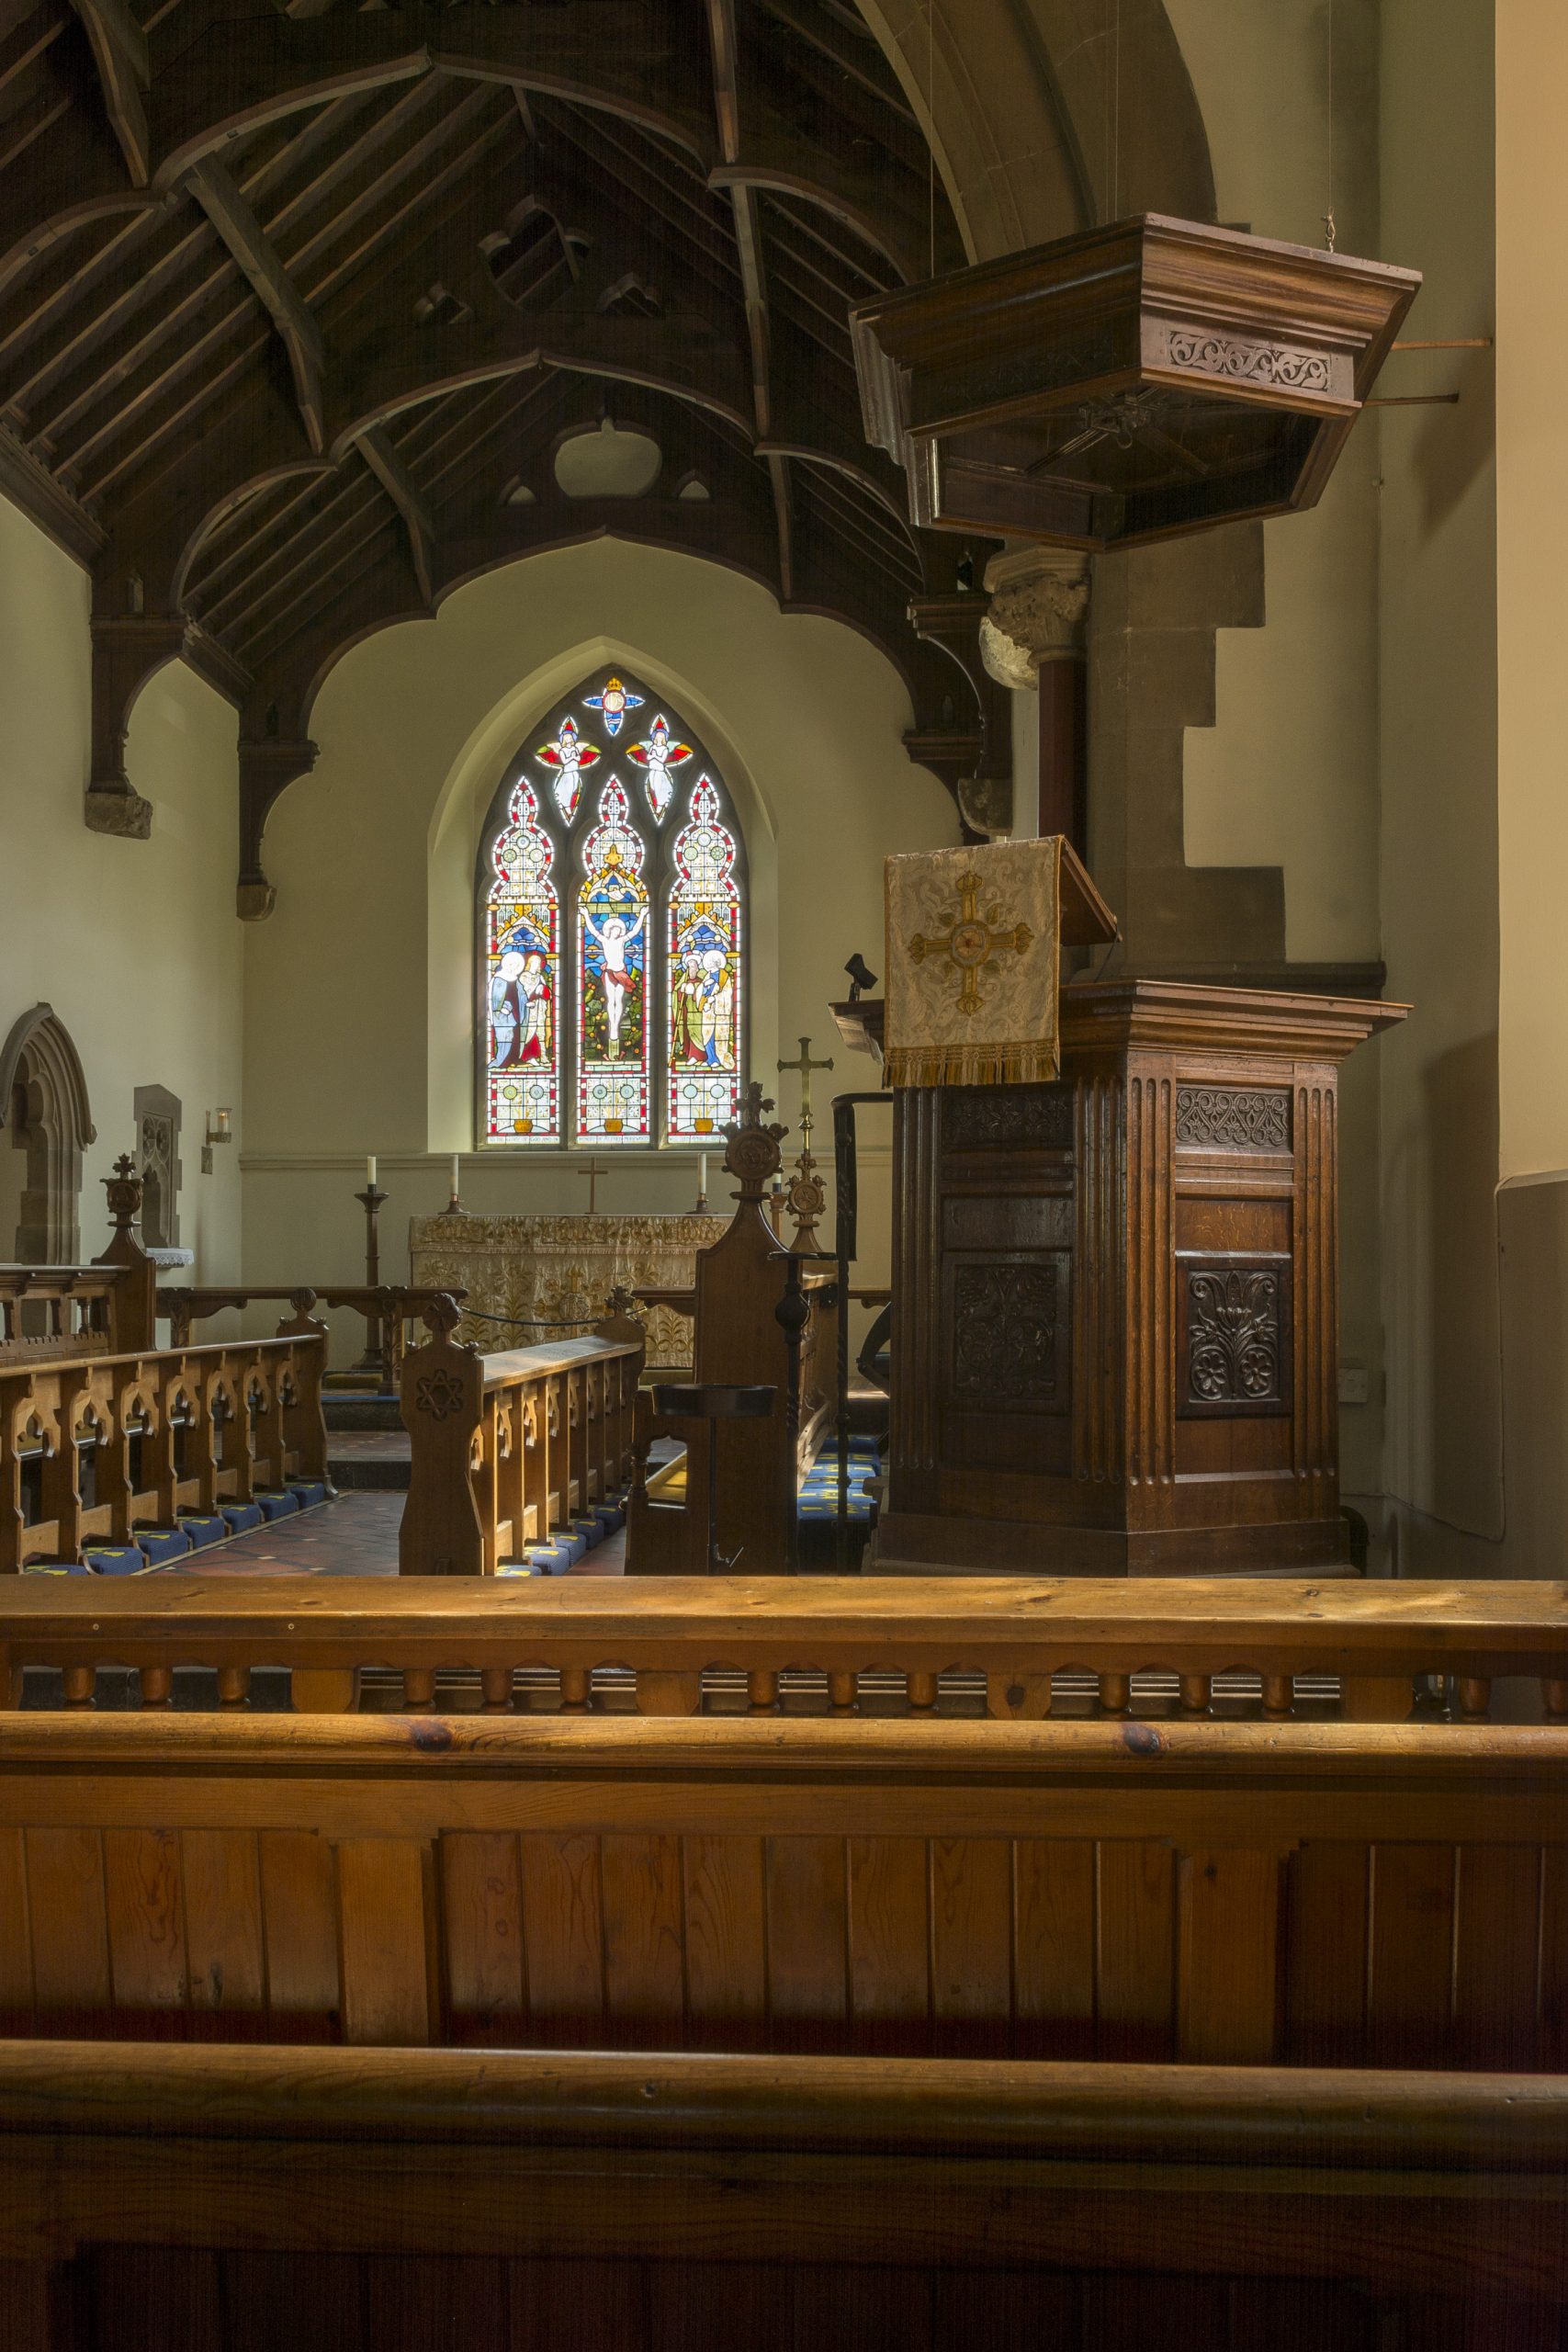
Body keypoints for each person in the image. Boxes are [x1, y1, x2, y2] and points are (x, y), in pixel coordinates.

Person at [581, 901, 645, 1052]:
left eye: (619, 930)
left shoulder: (622, 940)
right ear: (609, 931)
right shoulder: (604, 940)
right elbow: (592, 931)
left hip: (621, 973)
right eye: (615, 929)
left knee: (619, 1000)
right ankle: (613, 1025)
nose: (617, 932)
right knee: (611, 1000)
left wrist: (642, 915)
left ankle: (616, 1023)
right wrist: (585, 915)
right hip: (609, 972)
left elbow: (635, 931)